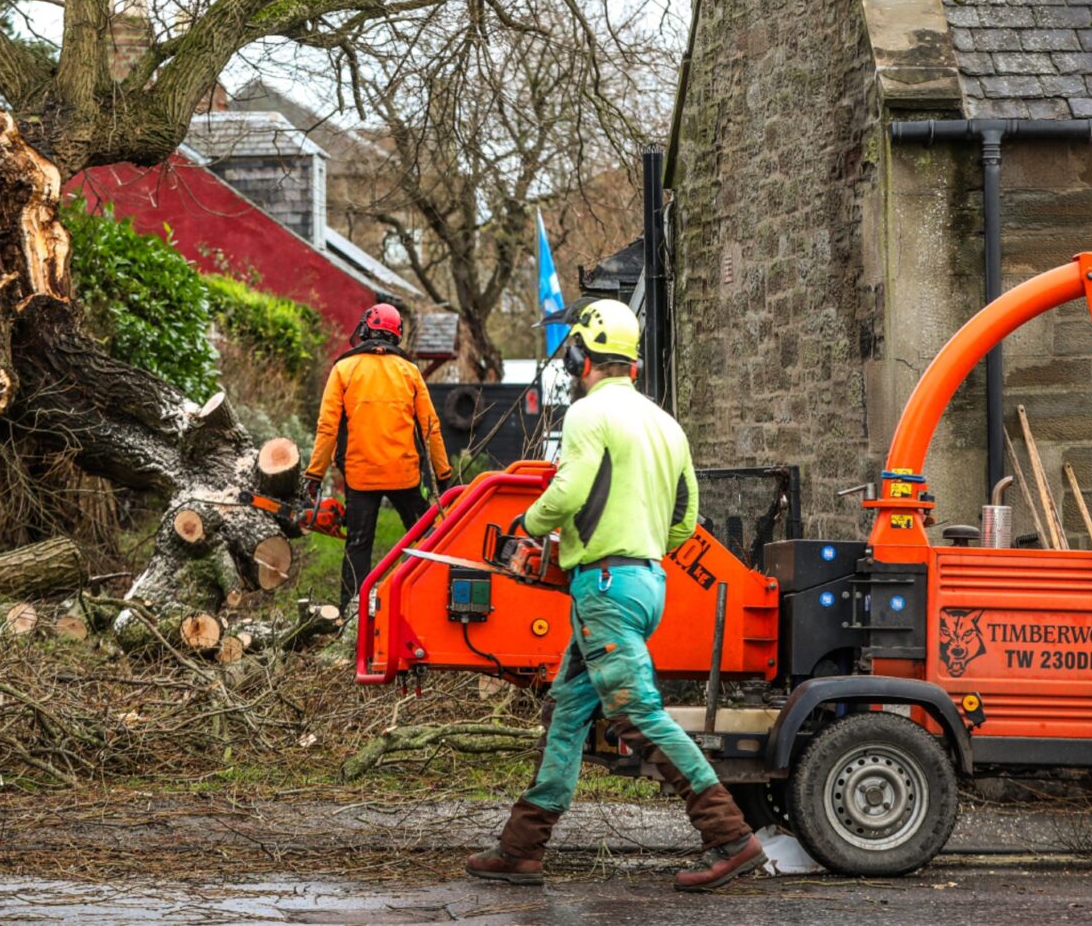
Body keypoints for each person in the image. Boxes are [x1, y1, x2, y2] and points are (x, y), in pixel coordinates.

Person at [465, 300, 764, 893]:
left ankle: (729, 835)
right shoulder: (666, 424)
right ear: (630, 361)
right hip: (643, 581)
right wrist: (642, 543)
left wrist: (530, 522)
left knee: (634, 711)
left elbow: (570, 489)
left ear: (580, 353)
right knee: (568, 711)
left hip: (604, 587)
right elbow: (686, 518)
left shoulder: (588, 413)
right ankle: (521, 847)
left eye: (572, 353)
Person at [302, 302, 451, 614]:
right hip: (405, 474)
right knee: (427, 539)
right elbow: (430, 427)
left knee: (358, 545)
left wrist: (313, 476)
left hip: (360, 475)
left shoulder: (343, 369)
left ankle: (351, 614)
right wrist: (444, 475)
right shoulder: (409, 371)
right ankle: (430, 603)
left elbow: (328, 427)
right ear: (396, 335)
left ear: (366, 329)